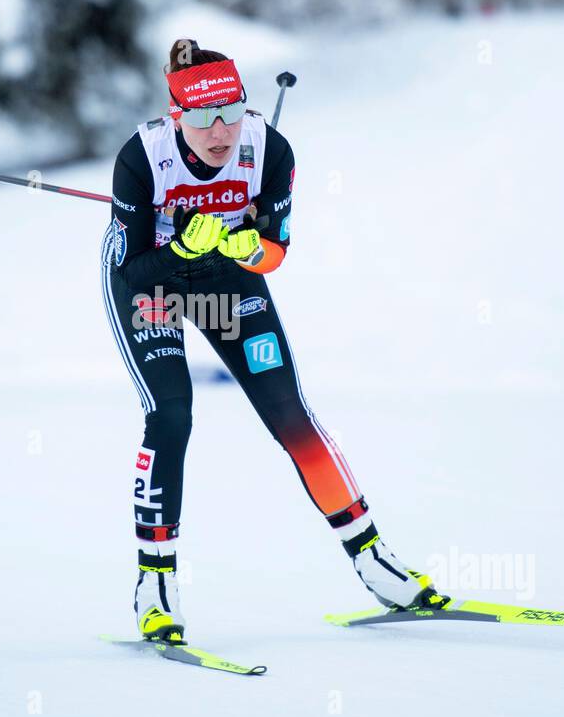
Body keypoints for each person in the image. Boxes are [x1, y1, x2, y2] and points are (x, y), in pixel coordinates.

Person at [100, 38, 449, 643]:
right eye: (204, 119)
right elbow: (128, 270)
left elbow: (275, 251)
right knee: (171, 415)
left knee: (292, 413)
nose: (220, 133)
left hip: (225, 277)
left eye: (231, 114)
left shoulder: (269, 150)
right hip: (150, 281)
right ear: (178, 116)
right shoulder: (142, 157)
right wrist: (180, 248)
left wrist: (247, 248)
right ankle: (155, 587)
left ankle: (374, 561)